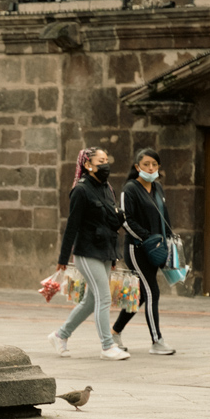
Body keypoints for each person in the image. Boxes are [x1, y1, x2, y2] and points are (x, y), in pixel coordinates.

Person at [48, 146, 129, 361]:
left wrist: (113, 256)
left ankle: (60, 335)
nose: (105, 164)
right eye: (100, 160)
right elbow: (72, 226)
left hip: (104, 251)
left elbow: (111, 225)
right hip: (86, 252)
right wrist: (63, 258)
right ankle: (107, 346)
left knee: (91, 301)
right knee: (104, 297)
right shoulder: (81, 190)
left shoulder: (106, 188)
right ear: (87, 165)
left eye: (106, 160)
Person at [112, 148, 176, 355]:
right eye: (146, 164)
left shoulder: (158, 188)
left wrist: (169, 240)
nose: (150, 168)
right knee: (152, 292)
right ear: (137, 167)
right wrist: (146, 237)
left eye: (154, 164)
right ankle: (157, 341)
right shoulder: (129, 189)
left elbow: (163, 218)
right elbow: (125, 219)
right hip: (137, 249)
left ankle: (115, 332)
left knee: (139, 296)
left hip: (157, 249)